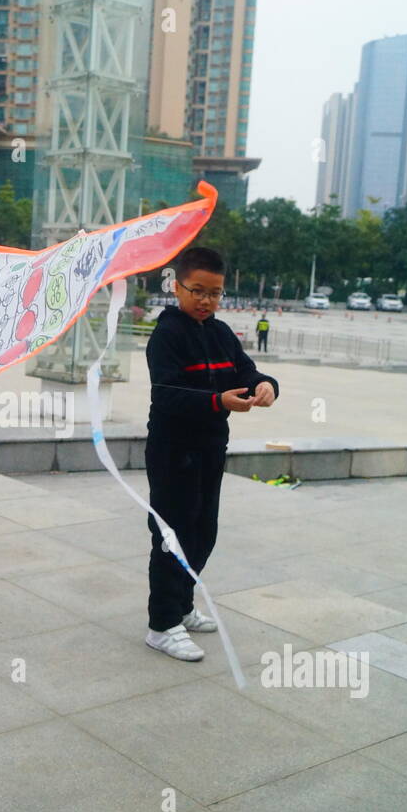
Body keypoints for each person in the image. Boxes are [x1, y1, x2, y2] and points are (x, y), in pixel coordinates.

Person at [144, 246, 279, 661]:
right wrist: (217, 402)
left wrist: (265, 383)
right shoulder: (166, 335)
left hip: (210, 447)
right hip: (172, 449)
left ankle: (183, 606)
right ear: (177, 287)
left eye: (215, 293)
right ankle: (161, 624)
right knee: (172, 536)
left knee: (204, 532)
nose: (205, 300)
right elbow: (167, 395)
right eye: (197, 290)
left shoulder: (220, 334)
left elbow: (245, 369)